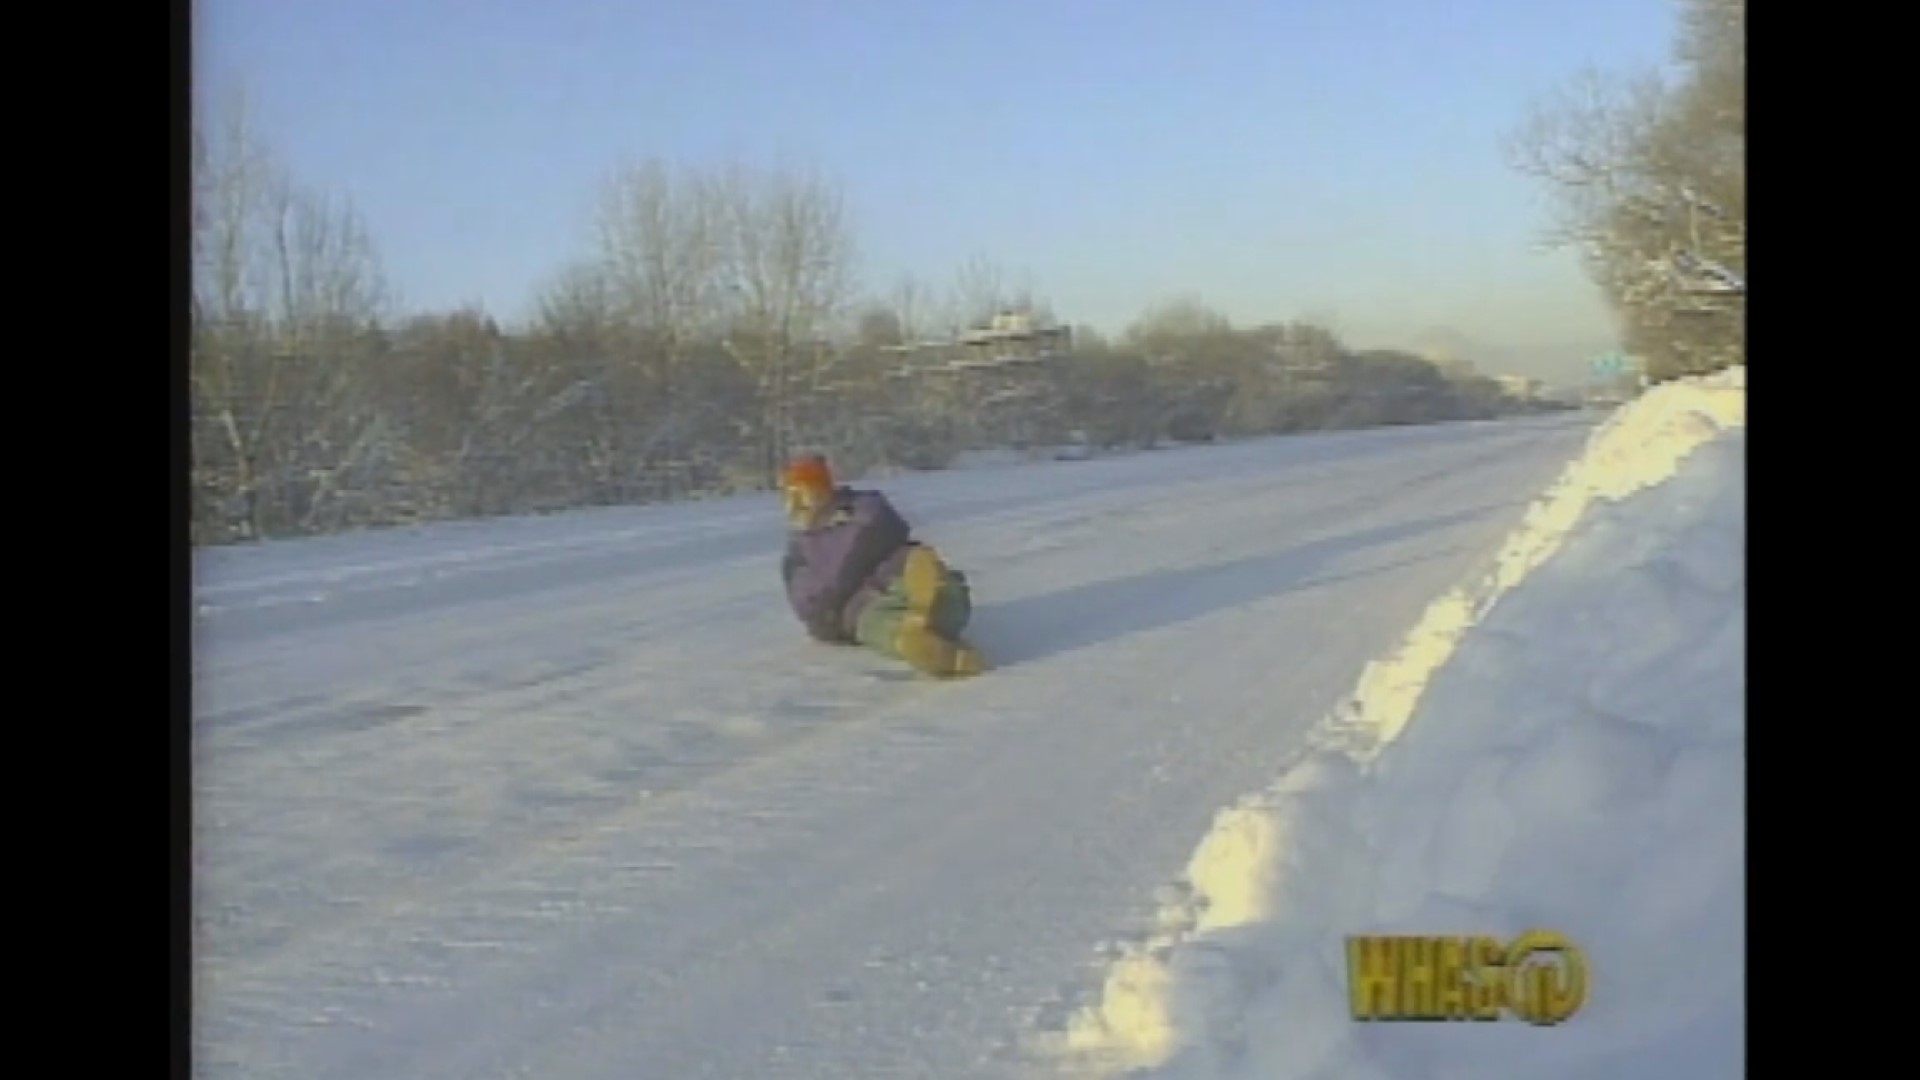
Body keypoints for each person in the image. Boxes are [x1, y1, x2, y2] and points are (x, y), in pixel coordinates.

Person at [779, 452, 986, 678]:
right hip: (863, 608)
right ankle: (934, 648)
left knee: (929, 580)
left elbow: (878, 529)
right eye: (791, 497)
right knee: (875, 624)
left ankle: (934, 603)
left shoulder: (863, 507)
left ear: (826, 490)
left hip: (898, 576)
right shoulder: (798, 553)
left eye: (807, 494)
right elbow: (812, 606)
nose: (799, 504)